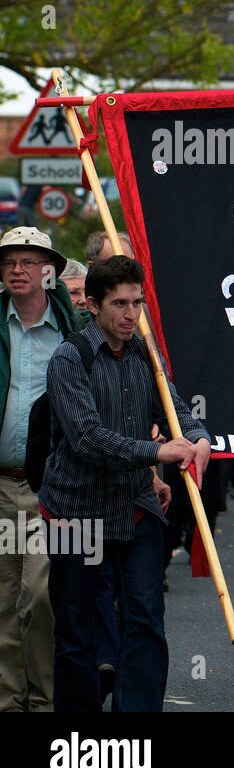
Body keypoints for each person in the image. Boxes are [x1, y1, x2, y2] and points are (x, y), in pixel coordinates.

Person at [39, 255, 210, 712]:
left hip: (134, 507)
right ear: (91, 305)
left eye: (137, 303)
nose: (130, 314)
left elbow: (176, 412)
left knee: (146, 622)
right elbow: (88, 440)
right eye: (119, 303)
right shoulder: (69, 358)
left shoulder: (145, 355)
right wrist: (158, 453)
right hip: (76, 513)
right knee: (77, 633)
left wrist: (198, 440)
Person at [0, 228, 85, 712]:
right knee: (2, 602)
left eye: (29, 261)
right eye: (10, 261)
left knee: (40, 595)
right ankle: (9, 701)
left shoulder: (73, 333)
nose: (18, 269)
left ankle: (45, 701)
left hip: (51, 489)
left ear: (50, 271)